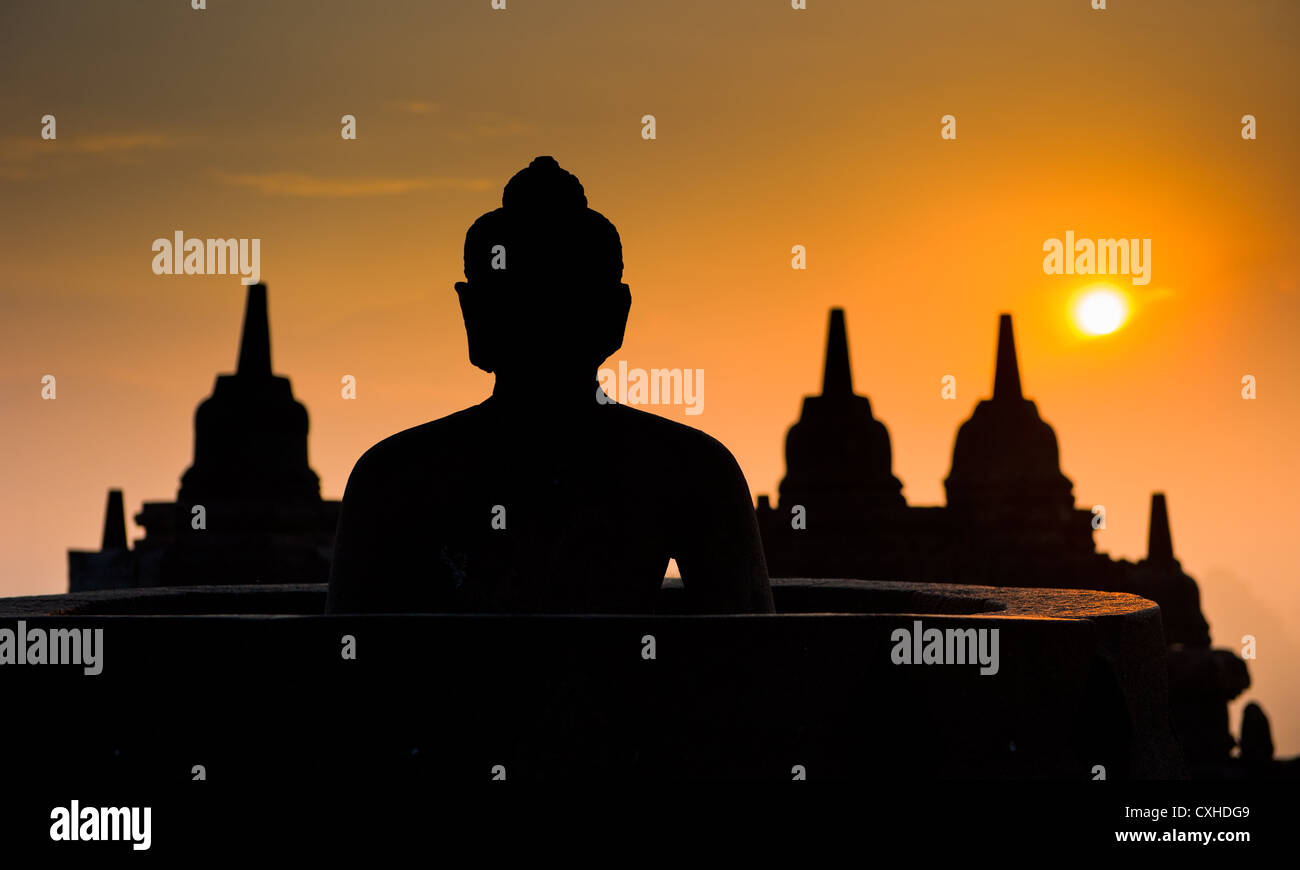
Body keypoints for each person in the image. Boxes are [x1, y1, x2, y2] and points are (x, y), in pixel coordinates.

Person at [326, 156, 773, 615]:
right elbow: (750, 662)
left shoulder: (397, 472)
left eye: (558, 302)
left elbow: (347, 666)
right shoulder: (687, 467)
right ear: (616, 317)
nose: (541, 322)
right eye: (522, 302)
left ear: (471, 315)